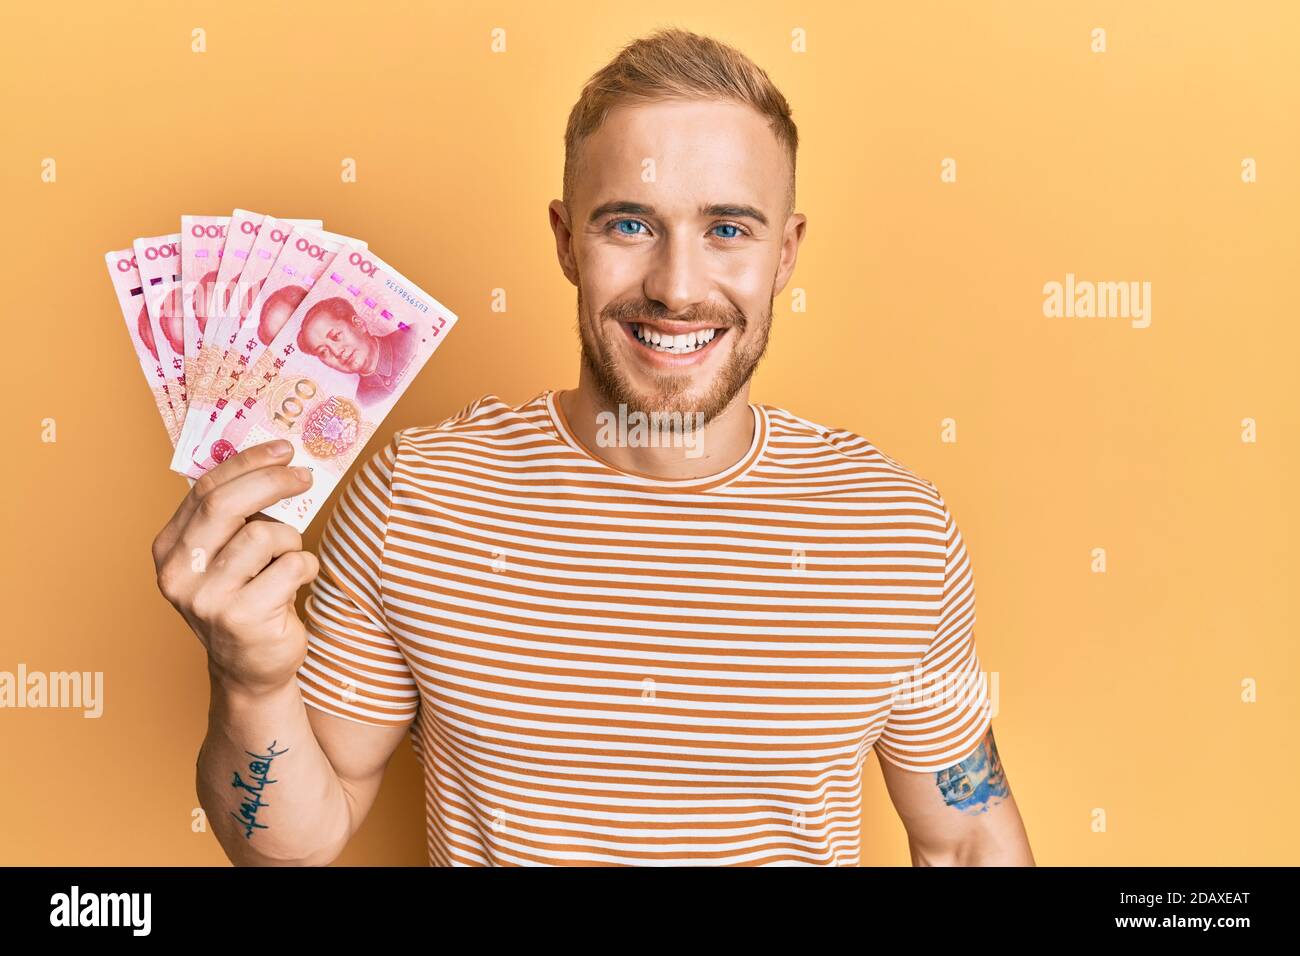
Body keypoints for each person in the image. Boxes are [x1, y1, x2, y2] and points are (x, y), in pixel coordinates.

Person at [153, 28, 1033, 867]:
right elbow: (292, 843)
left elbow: (966, 837)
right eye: (629, 225)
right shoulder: (415, 498)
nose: (676, 288)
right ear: (567, 242)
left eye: (728, 229)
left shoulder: (895, 532)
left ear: (787, 252)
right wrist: (251, 682)